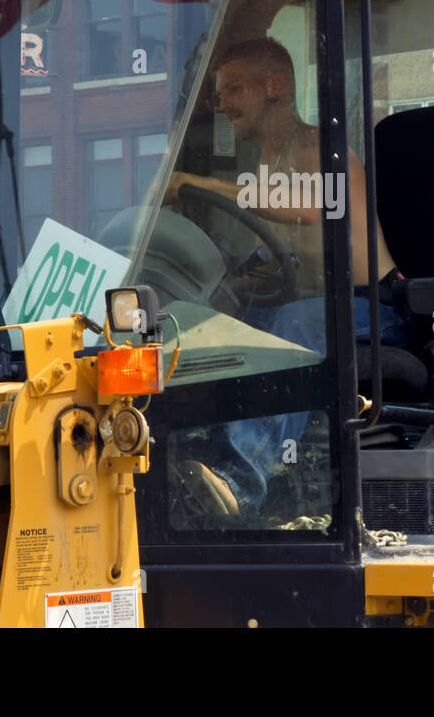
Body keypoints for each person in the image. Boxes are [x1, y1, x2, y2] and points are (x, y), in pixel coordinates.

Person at [165, 37, 407, 516]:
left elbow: (308, 210)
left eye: (234, 90)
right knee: (213, 326)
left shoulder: (323, 149)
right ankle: (187, 461)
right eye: (218, 93)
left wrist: (200, 183)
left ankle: (242, 481)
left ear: (274, 86)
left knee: (293, 327)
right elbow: (277, 257)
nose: (223, 104)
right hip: (312, 304)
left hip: (373, 310)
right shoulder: (266, 162)